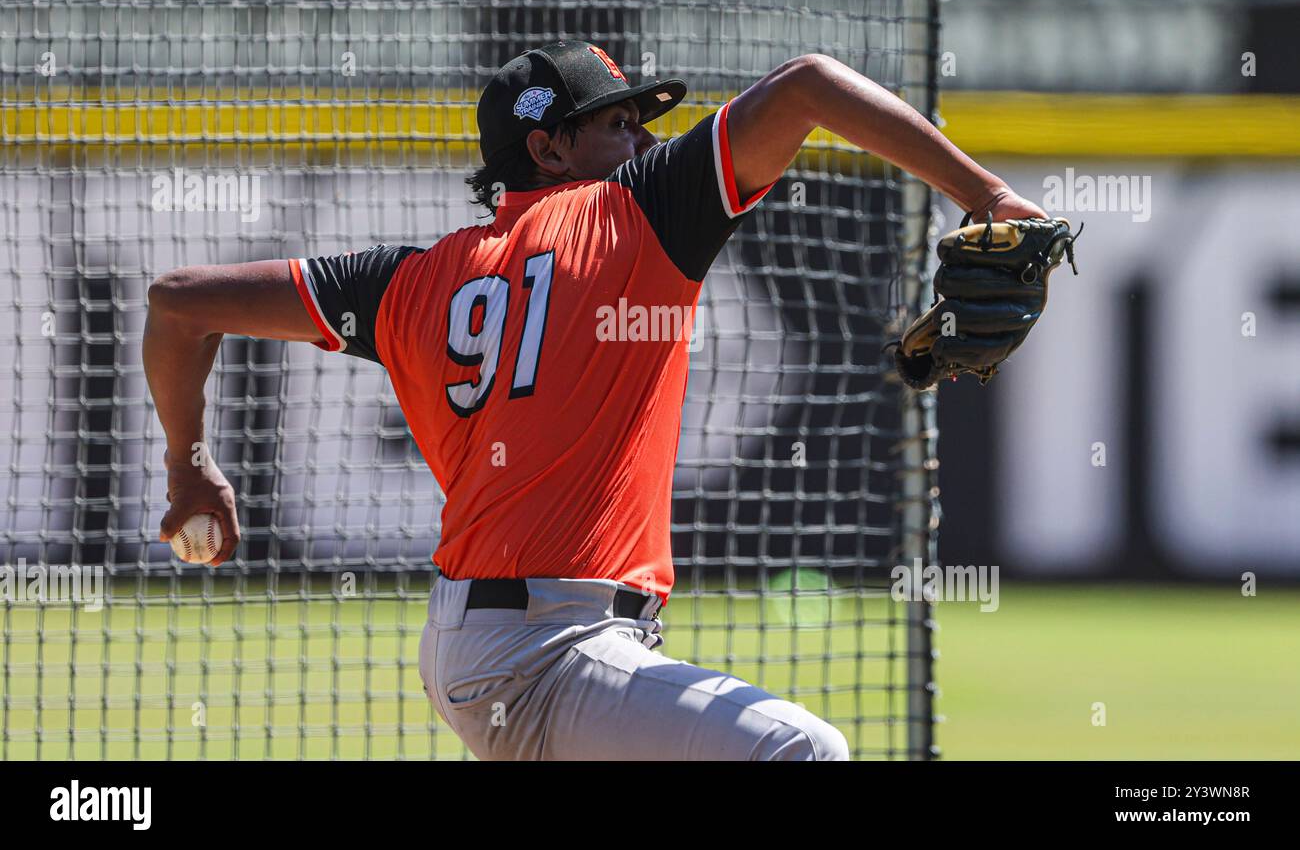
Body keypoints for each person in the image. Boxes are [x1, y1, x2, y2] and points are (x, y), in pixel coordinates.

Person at [143, 40, 1045, 760]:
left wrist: (191, 468)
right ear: (549, 147)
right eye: (619, 123)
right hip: (550, 653)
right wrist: (988, 195)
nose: (647, 142)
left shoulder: (405, 285)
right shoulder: (633, 212)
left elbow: (179, 303)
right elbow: (808, 84)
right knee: (799, 750)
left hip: (493, 647)